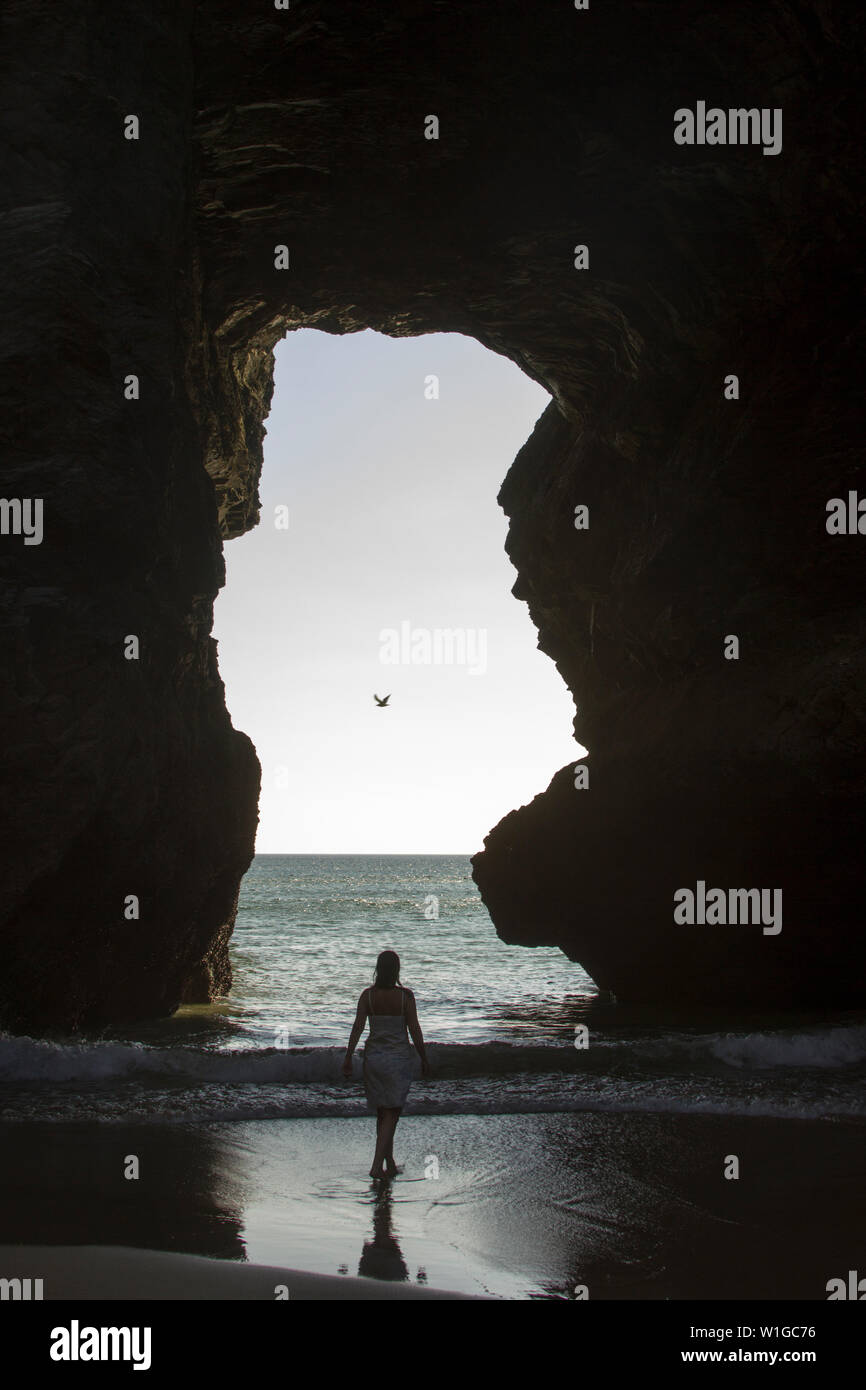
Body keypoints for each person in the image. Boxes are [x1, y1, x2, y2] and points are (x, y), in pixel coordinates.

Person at [342, 949, 430, 1179]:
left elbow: (358, 1028)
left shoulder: (367, 996)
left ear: (378, 969)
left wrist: (348, 1057)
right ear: (397, 970)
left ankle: (388, 1162)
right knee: (393, 1111)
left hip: (374, 1059)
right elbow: (414, 1030)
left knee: (383, 1112)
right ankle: (375, 1166)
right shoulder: (405, 997)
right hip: (398, 1060)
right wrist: (424, 1057)